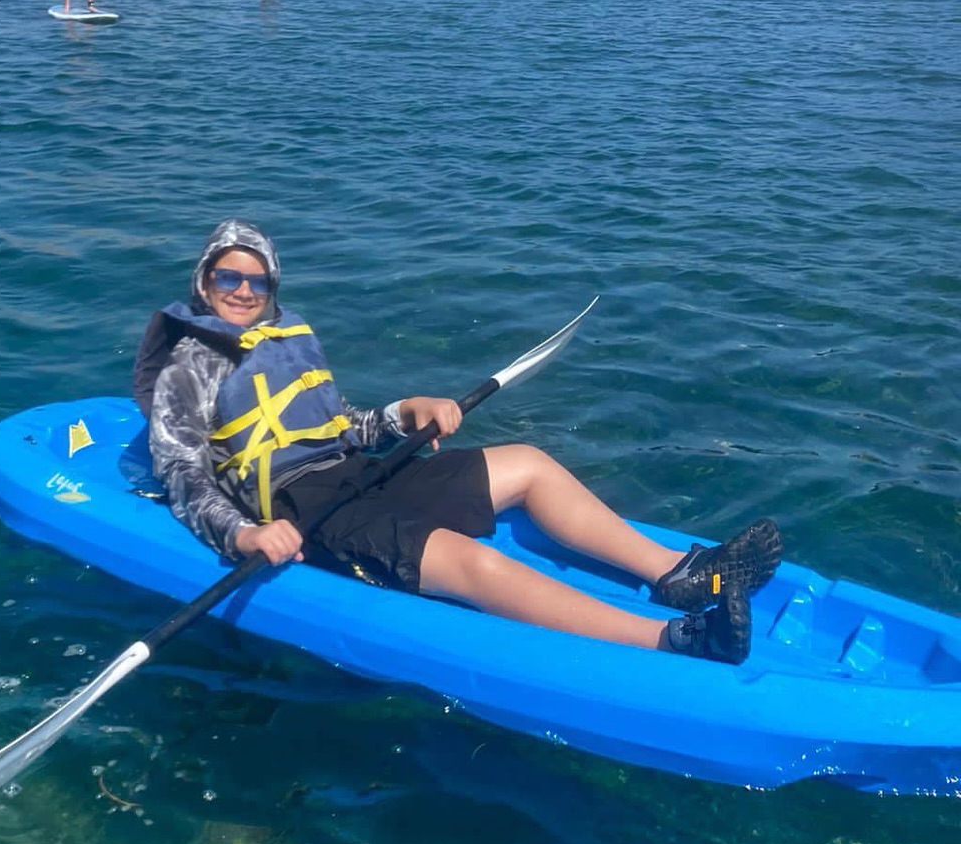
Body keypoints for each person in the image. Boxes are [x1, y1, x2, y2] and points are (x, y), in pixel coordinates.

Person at [133, 221, 783, 665]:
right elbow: (182, 472)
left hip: (360, 468)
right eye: (228, 279)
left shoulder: (287, 333)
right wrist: (242, 536)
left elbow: (337, 424)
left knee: (528, 463)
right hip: (302, 508)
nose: (244, 292)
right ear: (204, 280)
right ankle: (675, 639)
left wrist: (402, 413)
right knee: (471, 562)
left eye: (257, 281)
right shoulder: (186, 360)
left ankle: (680, 574)